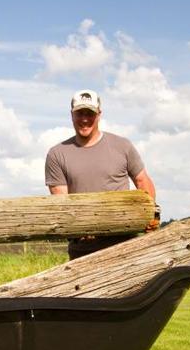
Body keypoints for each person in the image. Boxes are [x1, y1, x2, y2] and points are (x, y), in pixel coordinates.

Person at [45, 89, 157, 259]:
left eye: (89, 113)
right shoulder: (57, 154)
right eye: (79, 113)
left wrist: (151, 213)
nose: (84, 119)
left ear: (99, 114)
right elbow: (62, 202)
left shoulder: (122, 146)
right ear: (71, 115)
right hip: (82, 248)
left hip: (124, 244)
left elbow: (142, 180)